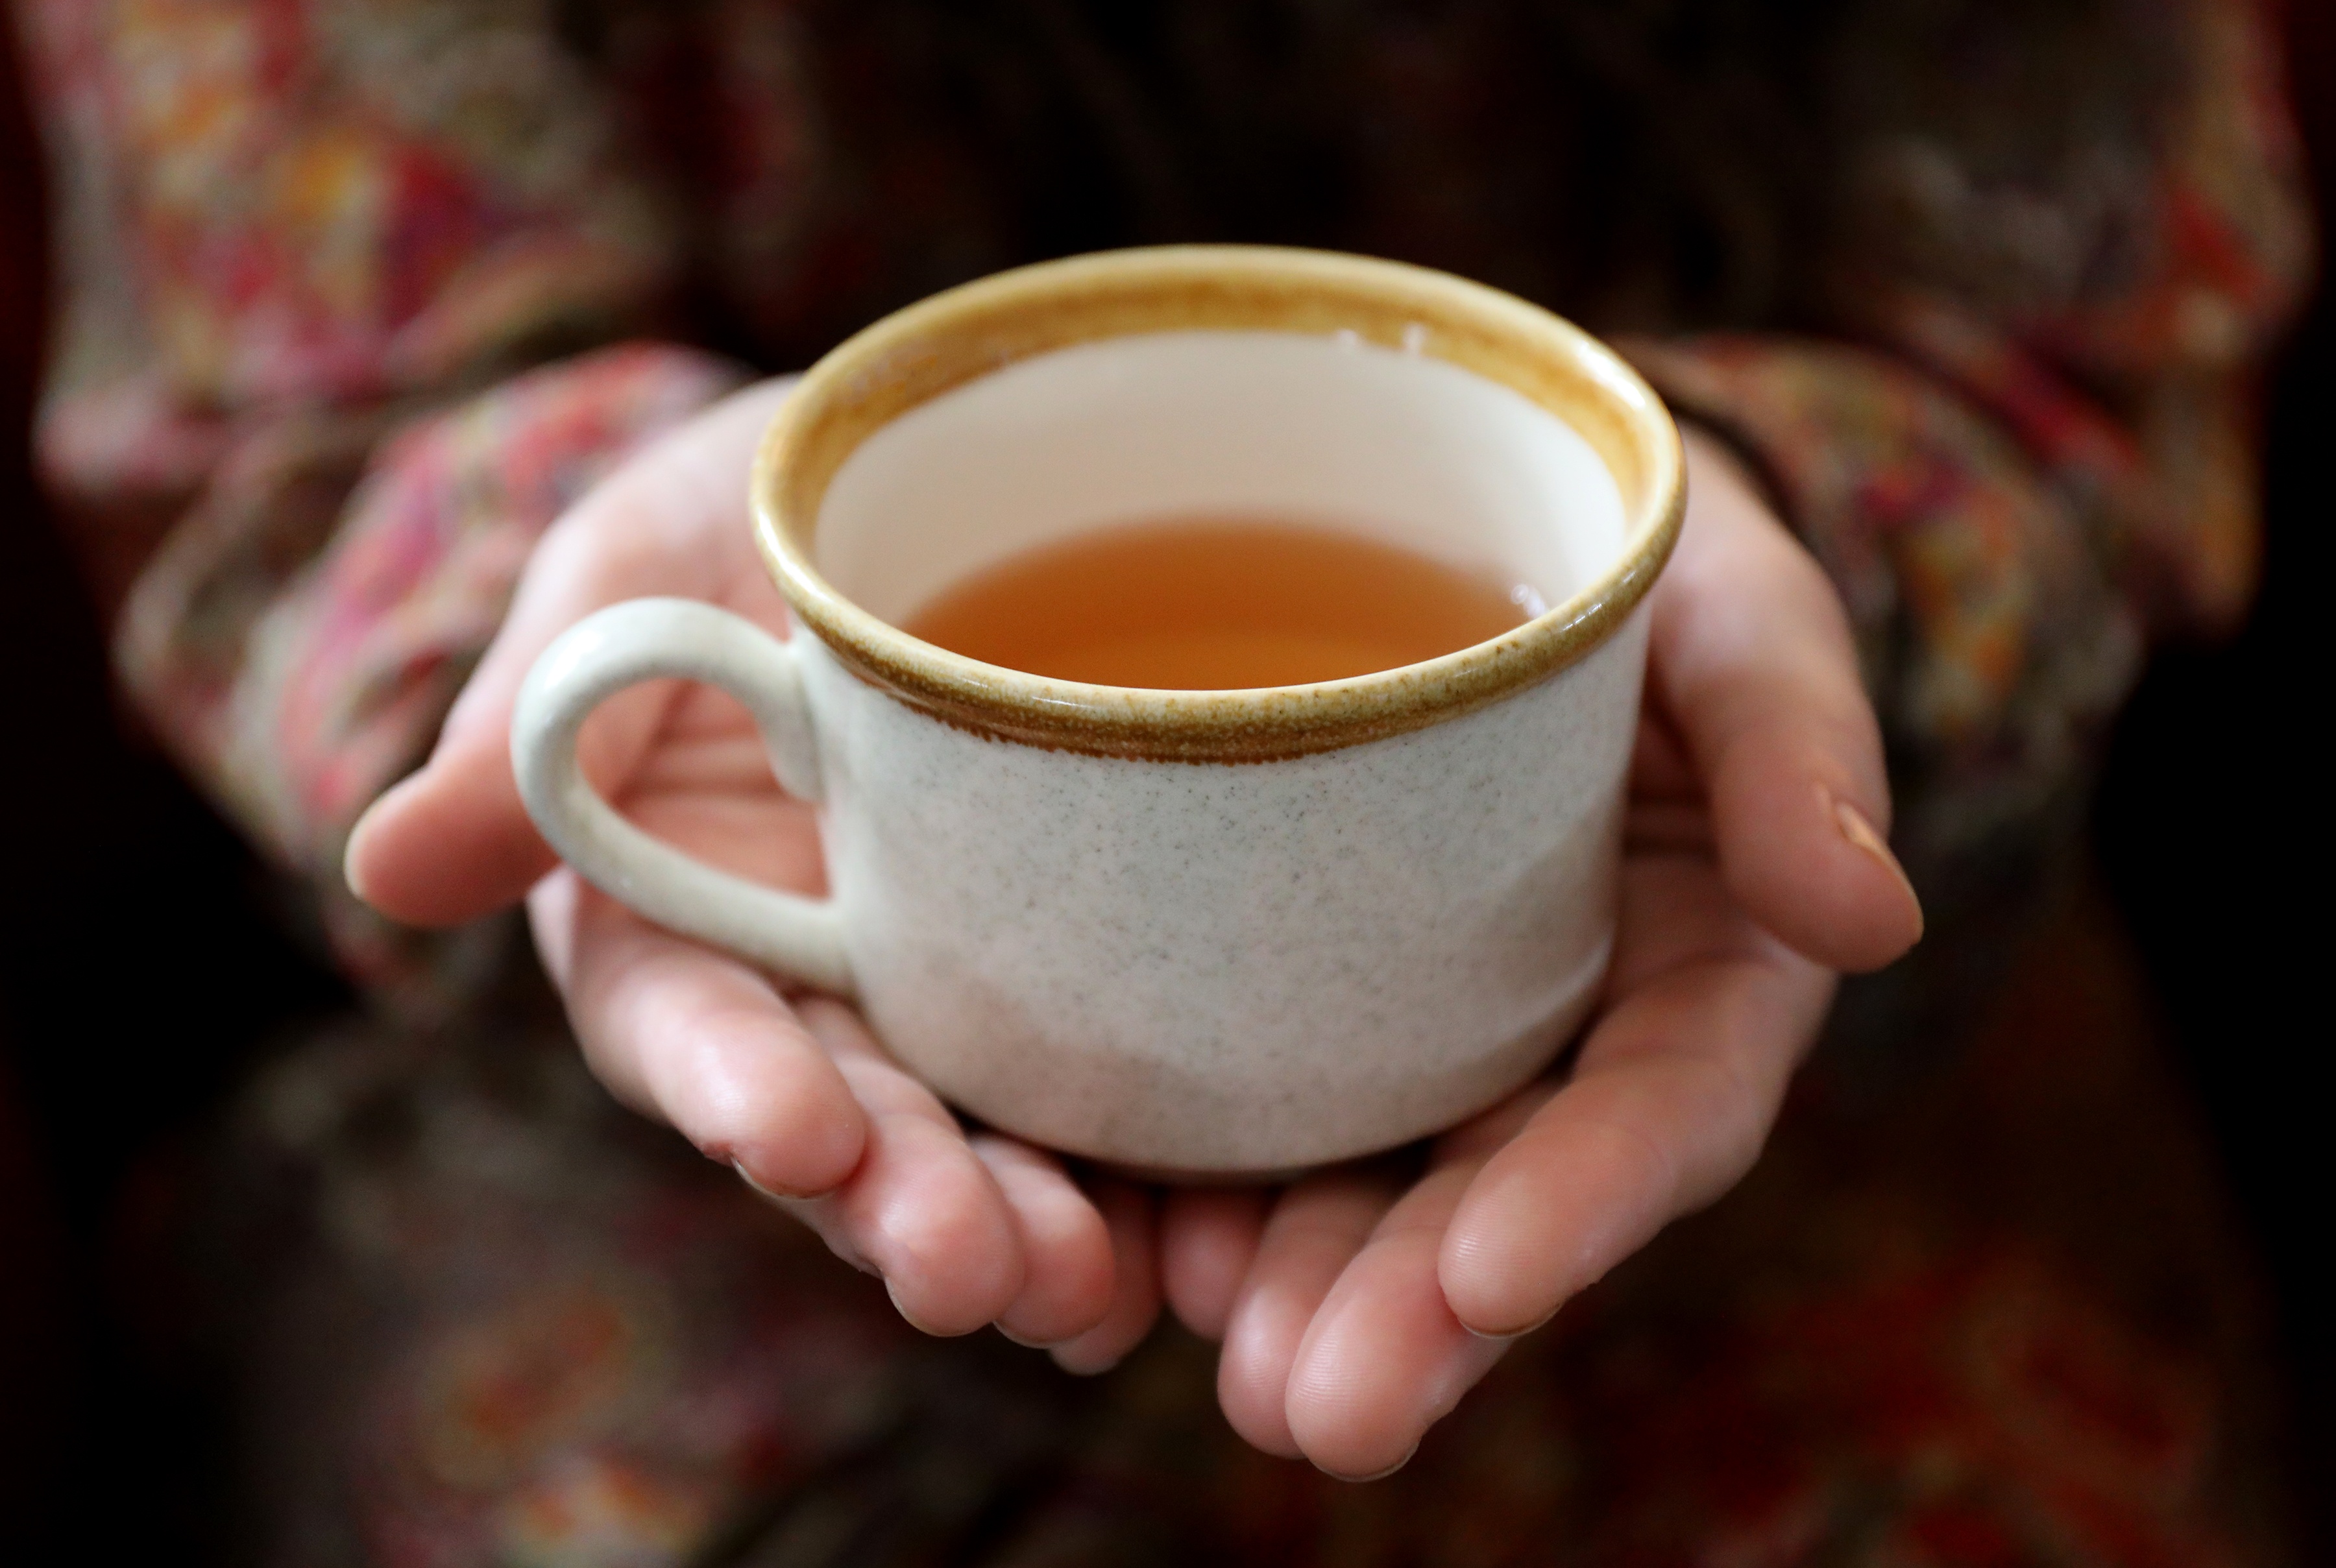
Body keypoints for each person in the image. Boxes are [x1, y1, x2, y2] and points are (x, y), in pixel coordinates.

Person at [11, 0, 2309, 1559]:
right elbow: (307, 419)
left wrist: (1765, 546)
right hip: (637, 1162)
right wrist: (571, 554)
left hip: (1806, 1004)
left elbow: (2060, 374)